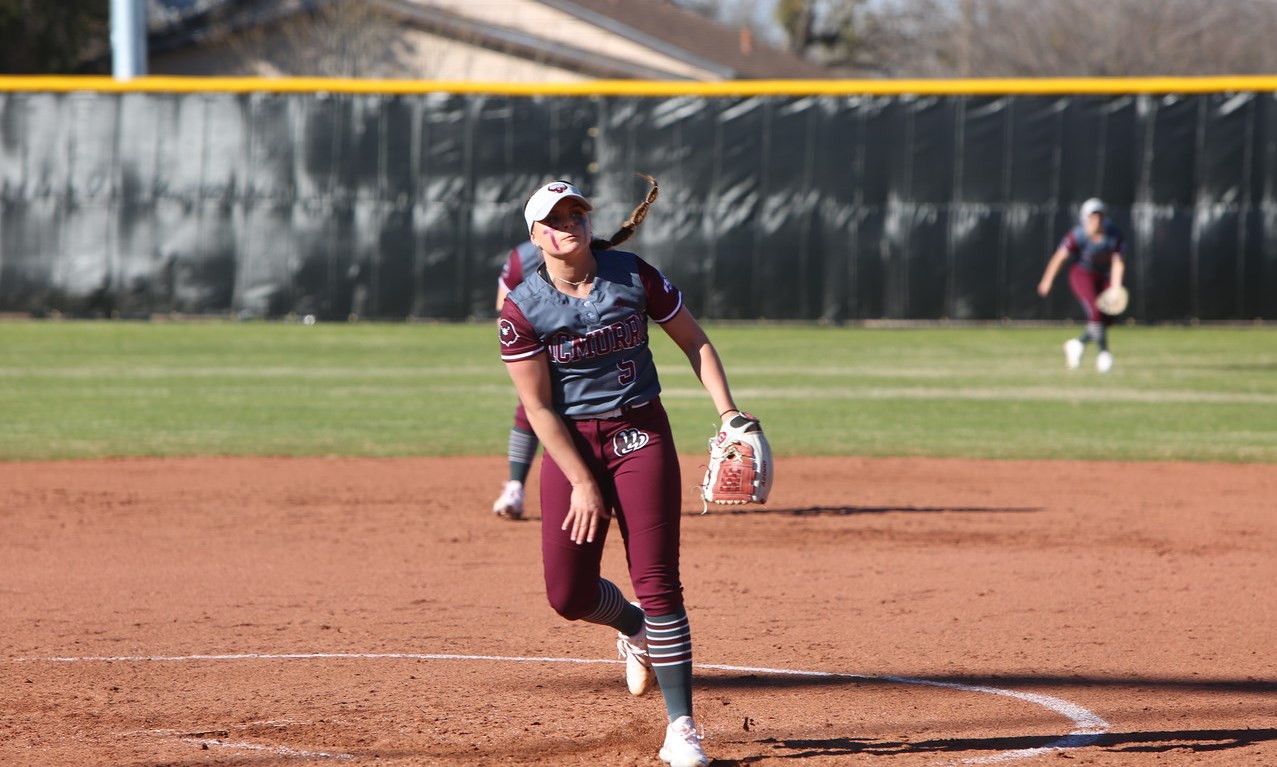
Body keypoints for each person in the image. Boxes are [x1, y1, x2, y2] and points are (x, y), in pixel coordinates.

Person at [498, 177, 744, 767]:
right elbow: (536, 408)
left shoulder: (633, 274)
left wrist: (730, 414)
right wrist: (583, 482)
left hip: (641, 434)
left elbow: (695, 343)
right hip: (572, 446)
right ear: (534, 235)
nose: (567, 226)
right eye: (553, 220)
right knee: (567, 594)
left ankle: (682, 728)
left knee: (659, 580)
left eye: (575, 214)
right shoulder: (522, 307)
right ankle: (633, 630)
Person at [1037, 197, 1127, 373]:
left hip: (1103, 276)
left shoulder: (1113, 235)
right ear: (1085, 218)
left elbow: (1118, 263)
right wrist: (1047, 280)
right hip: (1082, 274)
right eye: (1092, 216)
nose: (1096, 220)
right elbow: (1059, 258)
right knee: (1095, 312)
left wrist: (1116, 288)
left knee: (1109, 316)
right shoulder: (1077, 235)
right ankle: (1104, 354)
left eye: (1100, 216)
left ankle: (1078, 343)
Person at [491, 240, 543, 520]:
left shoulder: (590, 250)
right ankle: (515, 486)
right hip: (537, 340)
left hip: (584, 342)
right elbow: (504, 309)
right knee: (531, 404)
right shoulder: (522, 257)